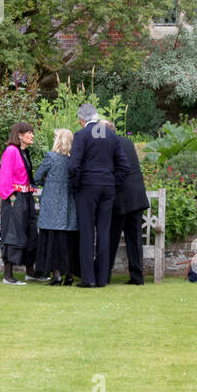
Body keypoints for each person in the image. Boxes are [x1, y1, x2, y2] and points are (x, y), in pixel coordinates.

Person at [67, 103, 130, 288]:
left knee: (87, 233)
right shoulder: (110, 134)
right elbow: (125, 166)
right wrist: (112, 181)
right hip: (107, 188)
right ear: (96, 116)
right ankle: (102, 278)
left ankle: (88, 279)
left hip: (87, 188)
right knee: (104, 232)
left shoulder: (81, 135)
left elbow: (73, 166)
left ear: (81, 120)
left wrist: (77, 185)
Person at [33, 128, 79, 286]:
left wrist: (47, 181)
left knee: (52, 240)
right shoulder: (73, 159)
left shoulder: (51, 157)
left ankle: (57, 275)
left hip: (52, 205)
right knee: (68, 242)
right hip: (69, 206)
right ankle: (70, 275)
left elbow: (37, 177)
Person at [0, 121, 40, 285]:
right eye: (28, 132)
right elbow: (5, 178)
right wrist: (12, 199)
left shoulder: (24, 152)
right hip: (15, 199)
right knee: (12, 234)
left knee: (30, 233)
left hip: (26, 197)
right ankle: (8, 276)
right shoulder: (11, 151)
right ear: (20, 135)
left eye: (32, 132)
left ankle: (30, 272)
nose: (32, 135)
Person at [109, 133, 150, 285]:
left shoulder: (109, 143)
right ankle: (137, 276)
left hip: (120, 198)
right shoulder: (126, 141)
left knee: (111, 238)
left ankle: (105, 274)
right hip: (137, 196)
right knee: (135, 239)